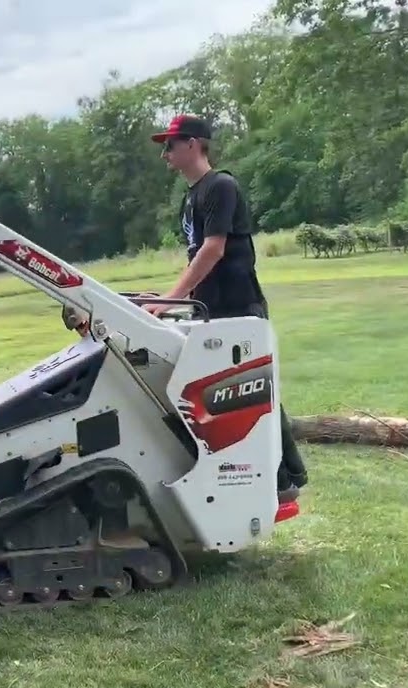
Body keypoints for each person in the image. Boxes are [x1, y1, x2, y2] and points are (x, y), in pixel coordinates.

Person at [143, 113, 308, 501]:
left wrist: (171, 299)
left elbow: (212, 250)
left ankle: (283, 480)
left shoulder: (221, 186)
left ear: (194, 144)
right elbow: (195, 256)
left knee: (254, 392)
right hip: (212, 307)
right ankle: (276, 476)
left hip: (239, 305)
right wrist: (171, 298)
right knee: (228, 396)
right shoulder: (191, 196)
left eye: (170, 144)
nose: (165, 153)